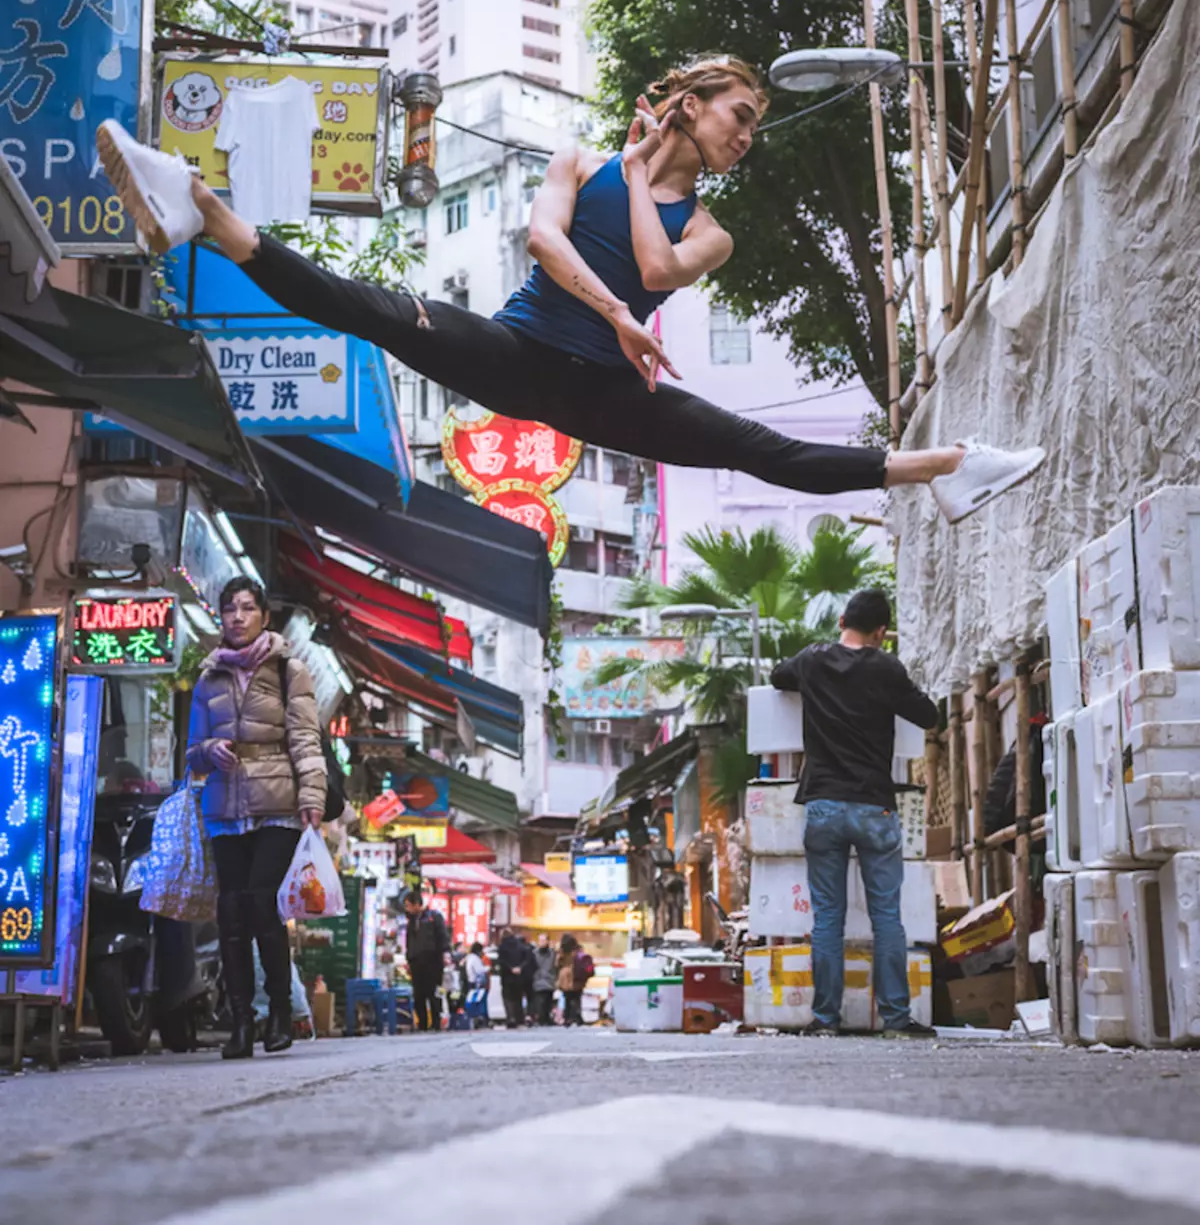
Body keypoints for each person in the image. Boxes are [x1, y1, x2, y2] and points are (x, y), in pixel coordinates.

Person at [96, 60, 1043, 521]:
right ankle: (203, 212)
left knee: (763, 450)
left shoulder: (710, 227)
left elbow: (663, 268)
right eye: (741, 115)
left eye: (753, 126)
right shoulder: (574, 157)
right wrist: (619, 310)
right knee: (372, 309)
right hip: (517, 355)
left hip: (604, 392)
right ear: (693, 102)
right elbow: (544, 242)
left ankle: (952, 469)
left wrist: (639, 188)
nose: (748, 135)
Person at [770, 588, 941, 1038]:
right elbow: (929, 716)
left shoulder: (812, 659)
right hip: (873, 806)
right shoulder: (886, 668)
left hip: (823, 804)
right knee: (886, 915)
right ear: (881, 632)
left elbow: (775, 677)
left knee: (828, 917)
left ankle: (825, 1019)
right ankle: (896, 1020)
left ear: (842, 617)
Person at [185, 578, 325, 1060]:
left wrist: (312, 798)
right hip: (225, 807)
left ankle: (280, 1013)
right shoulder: (208, 679)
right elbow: (192, 754)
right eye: (230, 609)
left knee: (262, 903)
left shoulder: (290, 670)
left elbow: (306, 740)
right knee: (231, 913)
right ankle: (241, 1022)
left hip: (277, 806)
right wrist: (208, 750)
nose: (238, 617)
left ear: (265, 615)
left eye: (247, 608)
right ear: (220, 617)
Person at [403, 890, 450, 1032]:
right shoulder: (411, 921)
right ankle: (422, 1024)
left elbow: (443, 936)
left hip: (433, 961)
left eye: (409, 905)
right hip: (416, 962)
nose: (407, 909)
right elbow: (409, 941)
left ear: (417, 904)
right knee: (418, 994)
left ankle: (436, 1023)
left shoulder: (433, 917)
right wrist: (409, 959)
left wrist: (445, 954)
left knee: (433, 993)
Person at [557, 934, 593, 1026]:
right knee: (576, 998)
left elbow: (557, 964)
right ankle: (576, 1017)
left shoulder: (562, 953)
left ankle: (568, 1017)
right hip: (575, 979)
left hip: (566, 980)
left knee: (568, 999)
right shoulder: (577, 952)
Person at [497, 928, 528, 1029]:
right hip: (519, 977)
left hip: (507, 977)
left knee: (507, 998)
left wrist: (510, 968)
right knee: (518, 998)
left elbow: (501, 962)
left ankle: (511, 1018)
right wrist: (519, 968)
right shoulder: (520, 946)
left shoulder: (502, 947)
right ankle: (519, 1018)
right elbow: (527, 959)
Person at [530, 932, 558, 1026]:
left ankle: (546, 1017)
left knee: (548, 1000)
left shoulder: (553, 953)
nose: (542, 942)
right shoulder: (534, 953)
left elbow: (555, 966)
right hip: (539, 980)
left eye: (543, 940)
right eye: (540, 940)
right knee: (540, 1001)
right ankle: (542, 1018)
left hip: (549, 980)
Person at [464, 940, 490, 1029]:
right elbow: (479, 970)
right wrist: (487, 968)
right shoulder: (475, 958)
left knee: (474, 1003)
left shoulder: (469, 958)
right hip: (477, 984)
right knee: (479, 1003)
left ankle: (476, 1020)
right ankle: (480, 1021)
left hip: (472, 982)